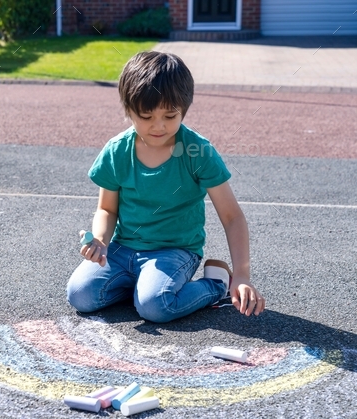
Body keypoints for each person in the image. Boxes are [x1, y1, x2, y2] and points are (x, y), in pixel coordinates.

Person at [66, 51, 265, 323]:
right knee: (80, 295)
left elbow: (232, 217)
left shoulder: (198, 151)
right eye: (146, 116)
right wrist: (100, 240)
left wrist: (242, 276)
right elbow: (106, 209)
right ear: (129, 110)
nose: (158, 126)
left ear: (184, 109)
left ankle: (217, 283)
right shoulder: (117, 151)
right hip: (124, 248)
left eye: (170, 116)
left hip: (175, 250)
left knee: (155, 306)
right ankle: (142, 287)